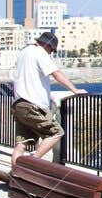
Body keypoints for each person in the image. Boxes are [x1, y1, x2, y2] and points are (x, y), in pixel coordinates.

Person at [11, 32, 85, 166]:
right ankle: (32, 163)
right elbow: (57, 75)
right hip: (32, 105)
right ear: (47, 45)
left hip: (18, 103)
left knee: (21, 144)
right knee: (56, 132)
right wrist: (75, 90)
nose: (50, 53)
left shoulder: (24, 52)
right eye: (51, 49)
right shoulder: (40, 53)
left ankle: (15, 175)